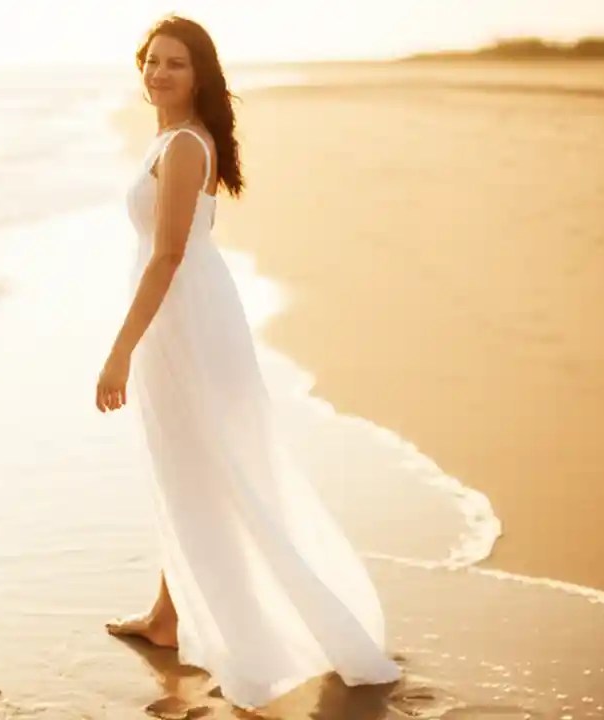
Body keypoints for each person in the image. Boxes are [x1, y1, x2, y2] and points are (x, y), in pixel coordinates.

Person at [94, 13, 405, 712]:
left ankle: (288, 627)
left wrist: (119, 352)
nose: (159, 72)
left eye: (175, 63)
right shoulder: (173, 139)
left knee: (207, 470)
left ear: (199, 75)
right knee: (189, 466)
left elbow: (167, 256)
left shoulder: (182, 146)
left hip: (183, 322)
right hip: (185, 315)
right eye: (152, 60)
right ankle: (166, 614)